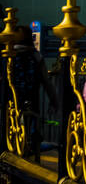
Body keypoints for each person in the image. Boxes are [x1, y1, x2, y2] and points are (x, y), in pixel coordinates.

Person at [10, 26, 56, 157]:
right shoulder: (36, 55)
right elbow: (46, 81)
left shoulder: (9, 54)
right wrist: (53, 100)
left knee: (12, 126)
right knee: (33, 127)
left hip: (13, 99)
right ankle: (34, 153)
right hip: (32, 97)